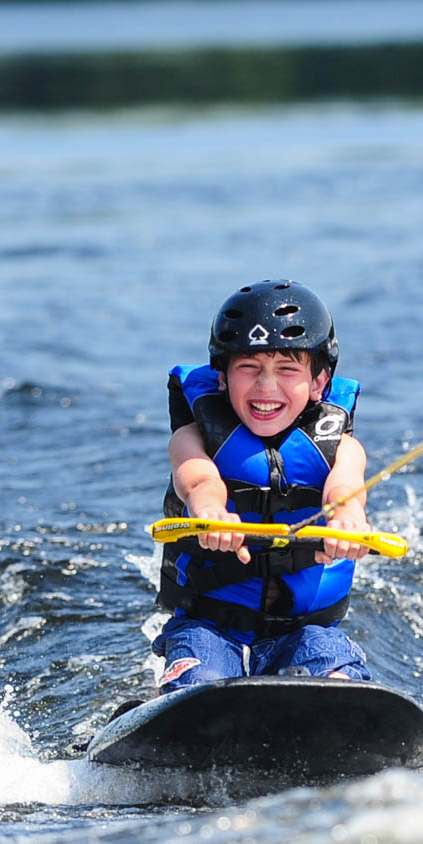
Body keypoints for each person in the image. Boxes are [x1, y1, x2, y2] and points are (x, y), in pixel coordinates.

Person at [151, 279, 374, 693]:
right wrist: (210, 512)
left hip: (303, 628)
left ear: (319, 383)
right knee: (201, 681)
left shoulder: (341, 446)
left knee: (332, 671)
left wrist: (347, 520)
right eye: (249, 368)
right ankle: (183, 699)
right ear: (222, 378)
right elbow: (197, 478)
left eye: (287, 369)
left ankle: (339, 709)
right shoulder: (194, 436)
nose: (266, 387)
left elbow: (345, 490)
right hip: (210, 623)